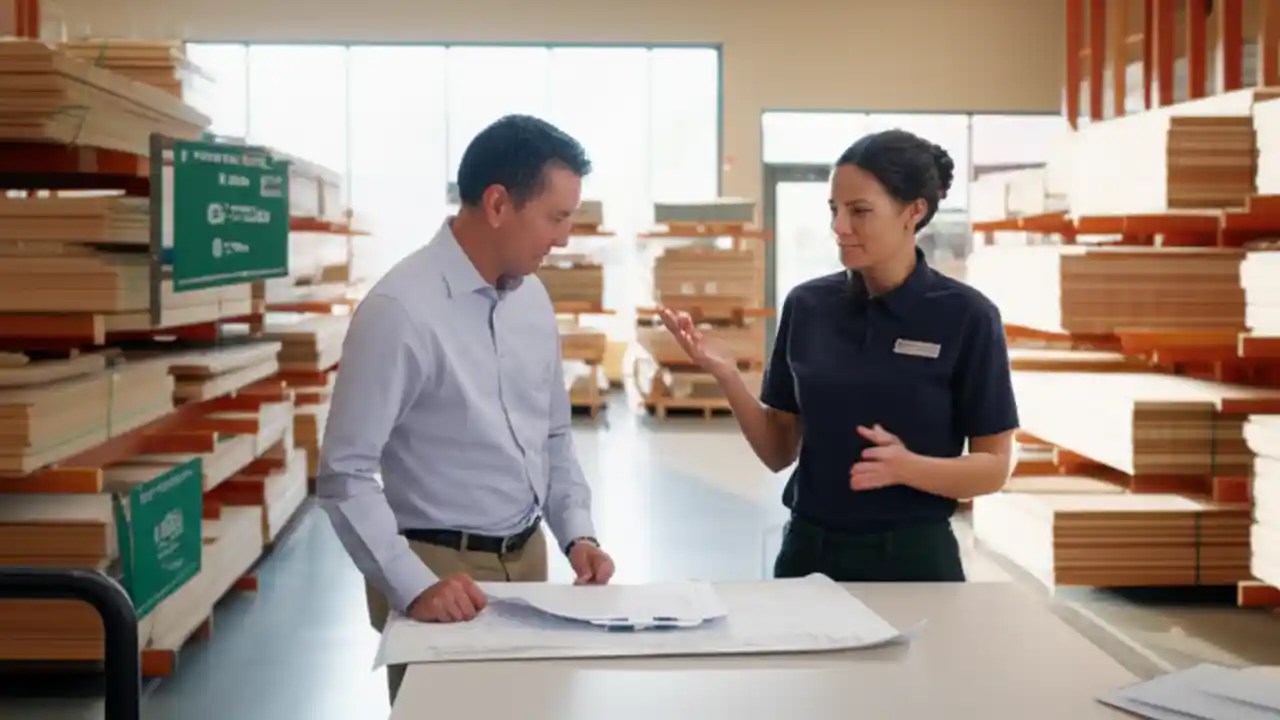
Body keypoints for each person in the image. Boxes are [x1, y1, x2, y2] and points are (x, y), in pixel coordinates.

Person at [317, 114, 616, 694]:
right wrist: (414, 585)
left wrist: (578, 535)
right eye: (556, 218)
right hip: (438, 575)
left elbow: (552, 434)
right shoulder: (400, 311)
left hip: (529, 561)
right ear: (498, 203)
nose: (563, 238)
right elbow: (345, 474)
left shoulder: (532, 299)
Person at [659, 129, 1019, 582]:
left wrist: (909, 469)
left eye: (859, 211)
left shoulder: (967, 316)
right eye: (834, 210)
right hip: (809, 553)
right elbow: (778, 451)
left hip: (914, 558)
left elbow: (993, 468)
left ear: (914, 212)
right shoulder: (808, 305)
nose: (839, 227)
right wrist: (728, 376)